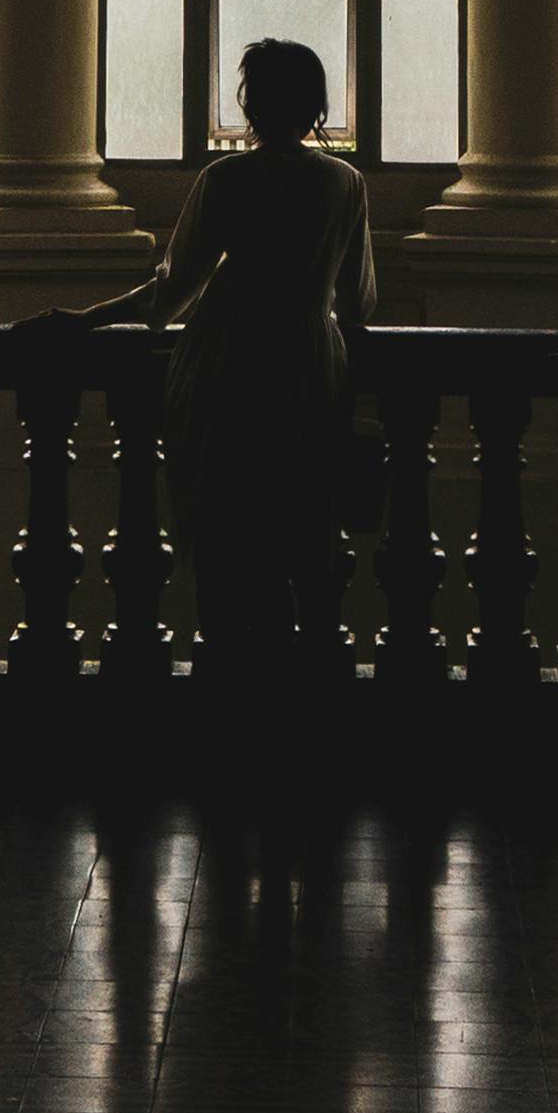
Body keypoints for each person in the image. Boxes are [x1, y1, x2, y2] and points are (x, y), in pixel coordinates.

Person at [25, 35, 377, 674]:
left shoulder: (227, 180)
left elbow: (173, 288)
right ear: (314, 105)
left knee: (225, 539)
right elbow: (358, 305)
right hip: (307, 369)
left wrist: (88, 318)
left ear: (253, 102)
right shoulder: (344, 183)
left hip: (228, 366)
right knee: (297, 538)